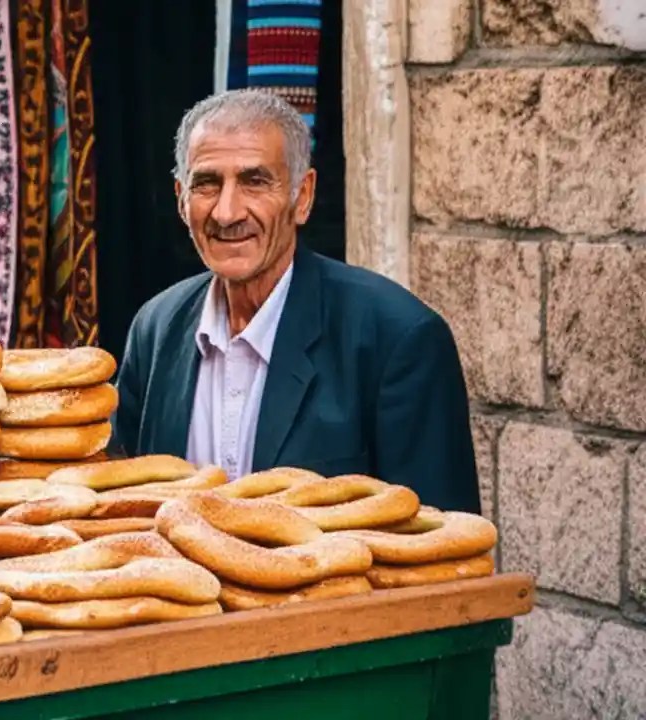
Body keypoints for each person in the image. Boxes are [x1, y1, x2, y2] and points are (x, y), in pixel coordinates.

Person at [110, 89, 480, 513]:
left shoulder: (397, 339)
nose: (227, 212)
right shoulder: (156, 328)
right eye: (207, 184)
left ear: (302, 197)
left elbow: (444, 549)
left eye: (255, 182)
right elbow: (129, 508)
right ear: (181, 199)